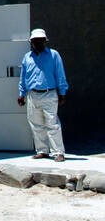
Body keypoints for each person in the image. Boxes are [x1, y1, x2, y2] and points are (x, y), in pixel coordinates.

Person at [17, 28, 68, 162]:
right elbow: (23, 77)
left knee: (52, 123)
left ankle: (58, 152)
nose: (38, 43)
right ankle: (42, 150)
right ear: (31, 42)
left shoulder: (54, 55)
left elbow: (60, 74)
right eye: (35, 41)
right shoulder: (27, 57)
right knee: (36, 124)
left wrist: (62, 92)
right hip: (32, 94)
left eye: (41, 40)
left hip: (49, 93)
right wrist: (21, 93)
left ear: (45, 41)